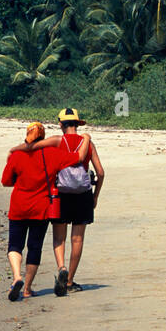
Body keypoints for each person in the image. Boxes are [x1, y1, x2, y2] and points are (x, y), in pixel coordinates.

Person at [0, 121, 91, 301]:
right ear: (43, 137)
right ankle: (26, 288)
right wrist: (87, 138)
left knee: (15, 245)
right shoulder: (53, 154)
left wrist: (12, 157)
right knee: (34, 248)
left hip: (18, 207)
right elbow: (78, 158)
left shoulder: (17, 156)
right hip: (41, 209)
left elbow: (5, 181)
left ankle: (17, 276)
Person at [50, 108, 104, 296]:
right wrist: (95, 196)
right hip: (83, 194)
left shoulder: (57, 142)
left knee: (59, 237)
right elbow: (101, 172)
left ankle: (62, 268)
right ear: (78, 123)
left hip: (61, 194)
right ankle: (70, 281)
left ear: (60, 124)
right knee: (77, 239)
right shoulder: (87, 143)